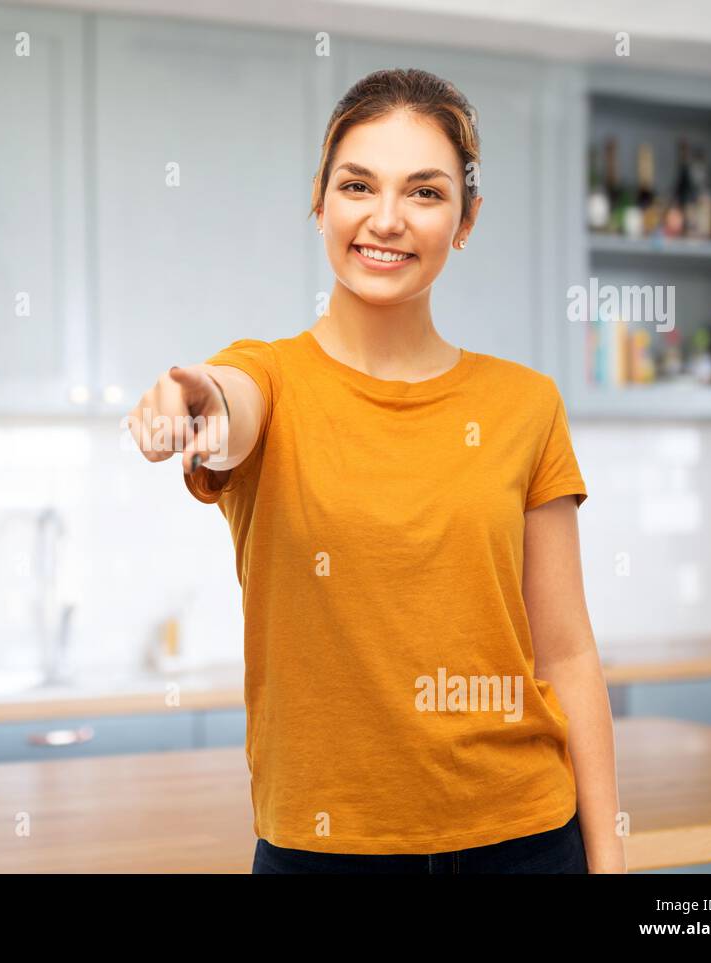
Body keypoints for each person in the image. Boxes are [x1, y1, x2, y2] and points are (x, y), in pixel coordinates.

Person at [127, 67, 624, 874]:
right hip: (321, 851)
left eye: (425, 192)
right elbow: (228, 408)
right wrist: (197, 404)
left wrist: (608, 860)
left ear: (466, 219)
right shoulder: (268, 378)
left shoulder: (526, 404)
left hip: (527, 840)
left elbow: (565, 654)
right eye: (358, 185)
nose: (385, 220)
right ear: (319, 200)